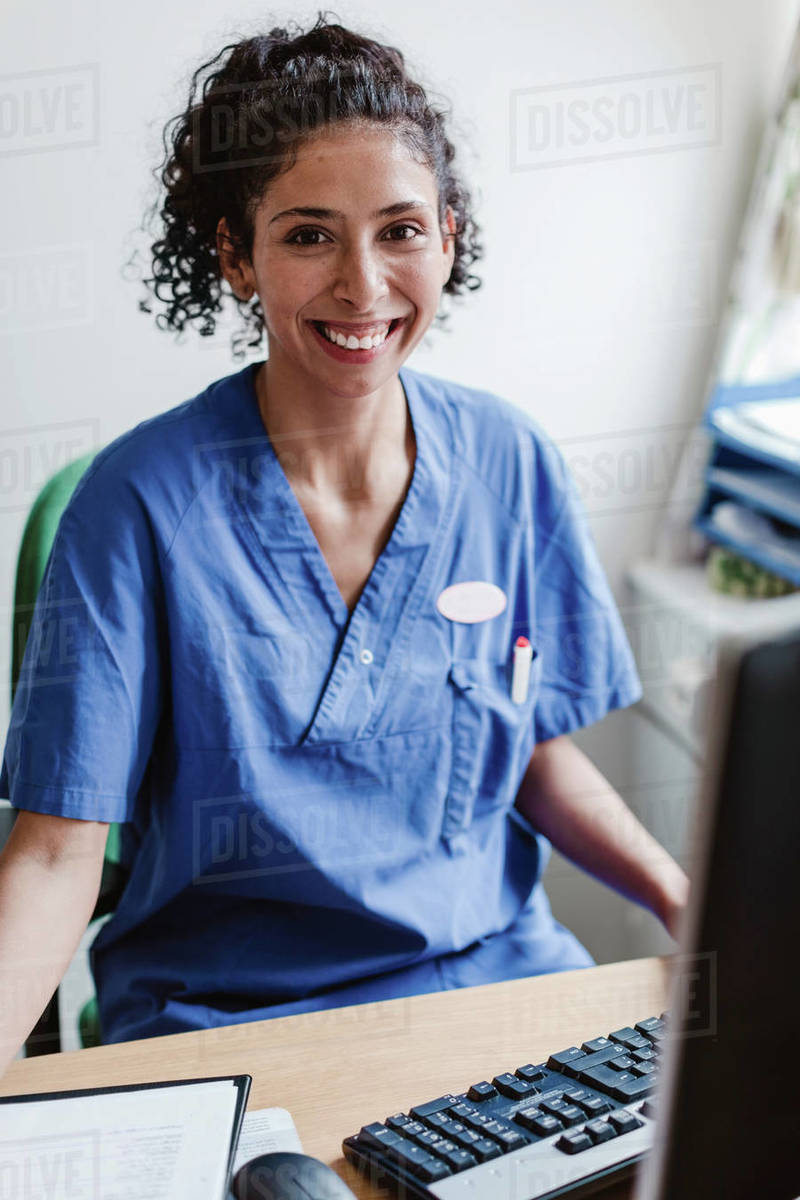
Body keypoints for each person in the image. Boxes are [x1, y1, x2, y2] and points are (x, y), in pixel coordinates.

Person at [0, 13, 688, 1072]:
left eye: (400, 230)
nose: (361, 286)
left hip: (492, 982)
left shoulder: (509, 461)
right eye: (309, 234)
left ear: (446, 239)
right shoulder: (133, 507)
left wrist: (690, 906)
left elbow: (536, 755)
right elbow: (53, 859)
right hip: (231, 1023)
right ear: (236, 256)